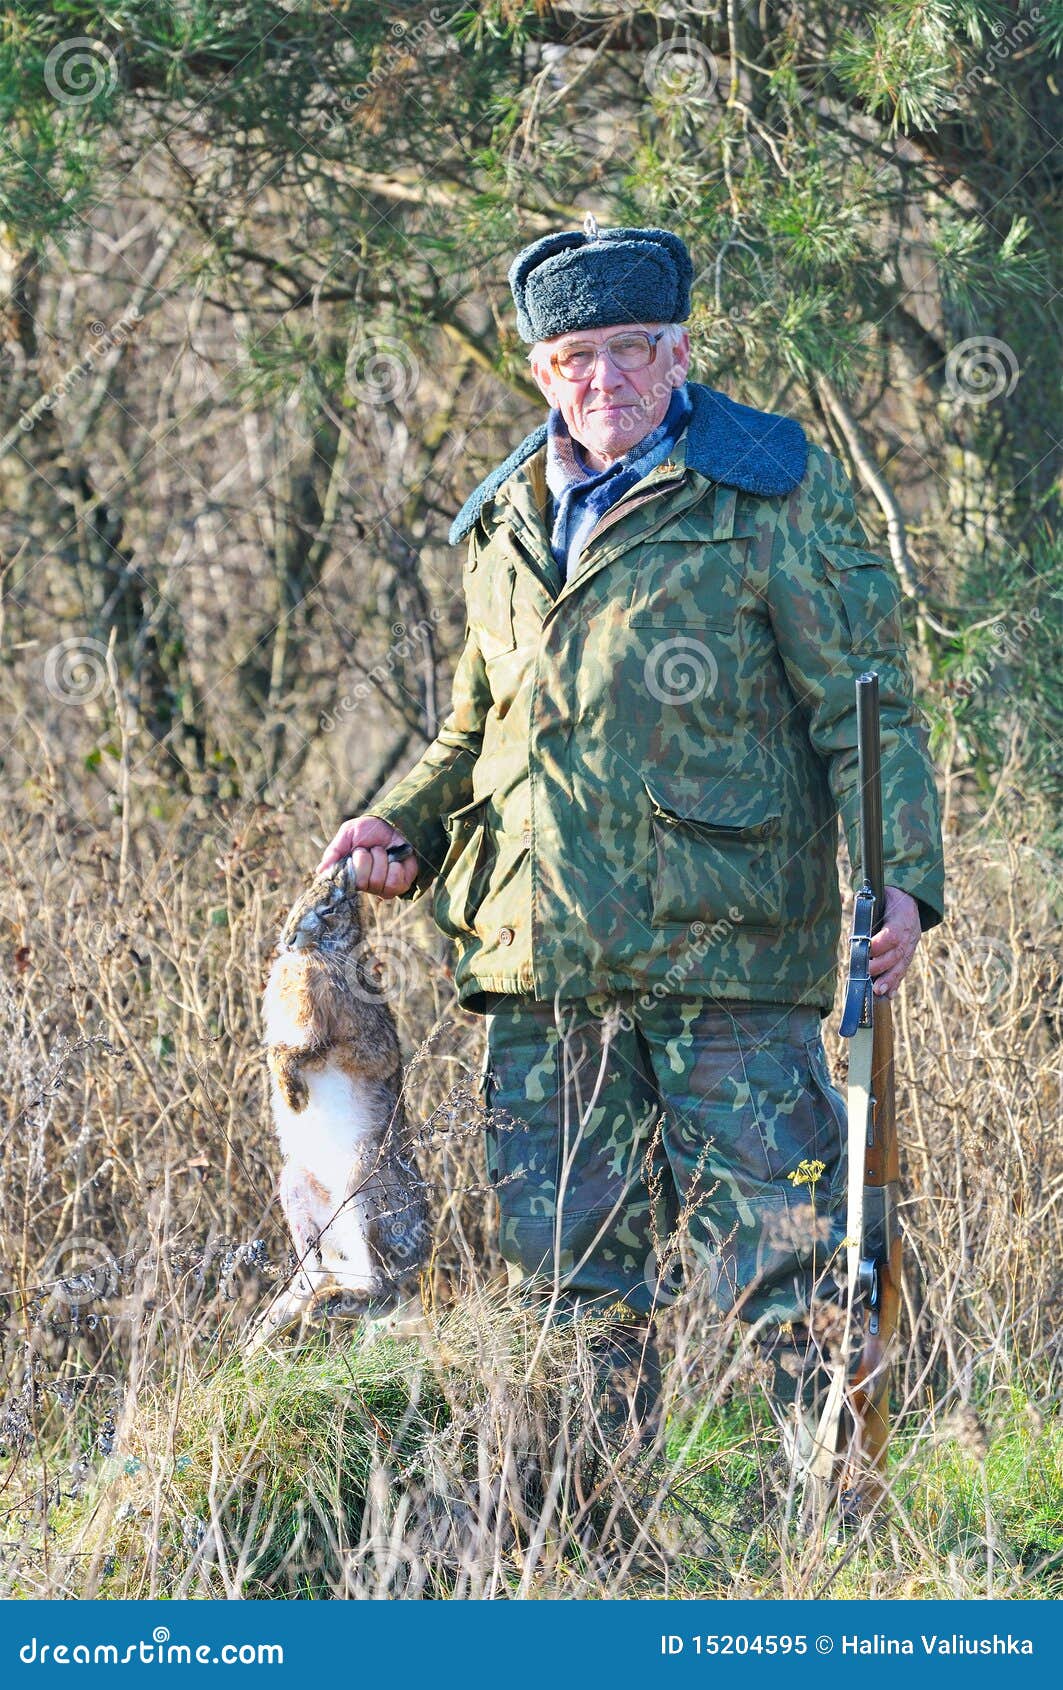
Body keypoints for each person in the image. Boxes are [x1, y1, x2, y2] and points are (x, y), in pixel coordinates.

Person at [317, 215, 945, 1464]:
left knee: (788, 1264)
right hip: (543, 970)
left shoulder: (767, 488)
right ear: (538, 369)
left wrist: (903, 882)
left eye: (628, 349)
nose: (601, 378)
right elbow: (478, 727)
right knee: (565, 1288)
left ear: (678, 351)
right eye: (573, 357)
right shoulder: (501, 520)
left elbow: (864, 704)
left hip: (726, 956)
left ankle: (832, 1524)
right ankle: (597, 1529)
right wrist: (408, 822)